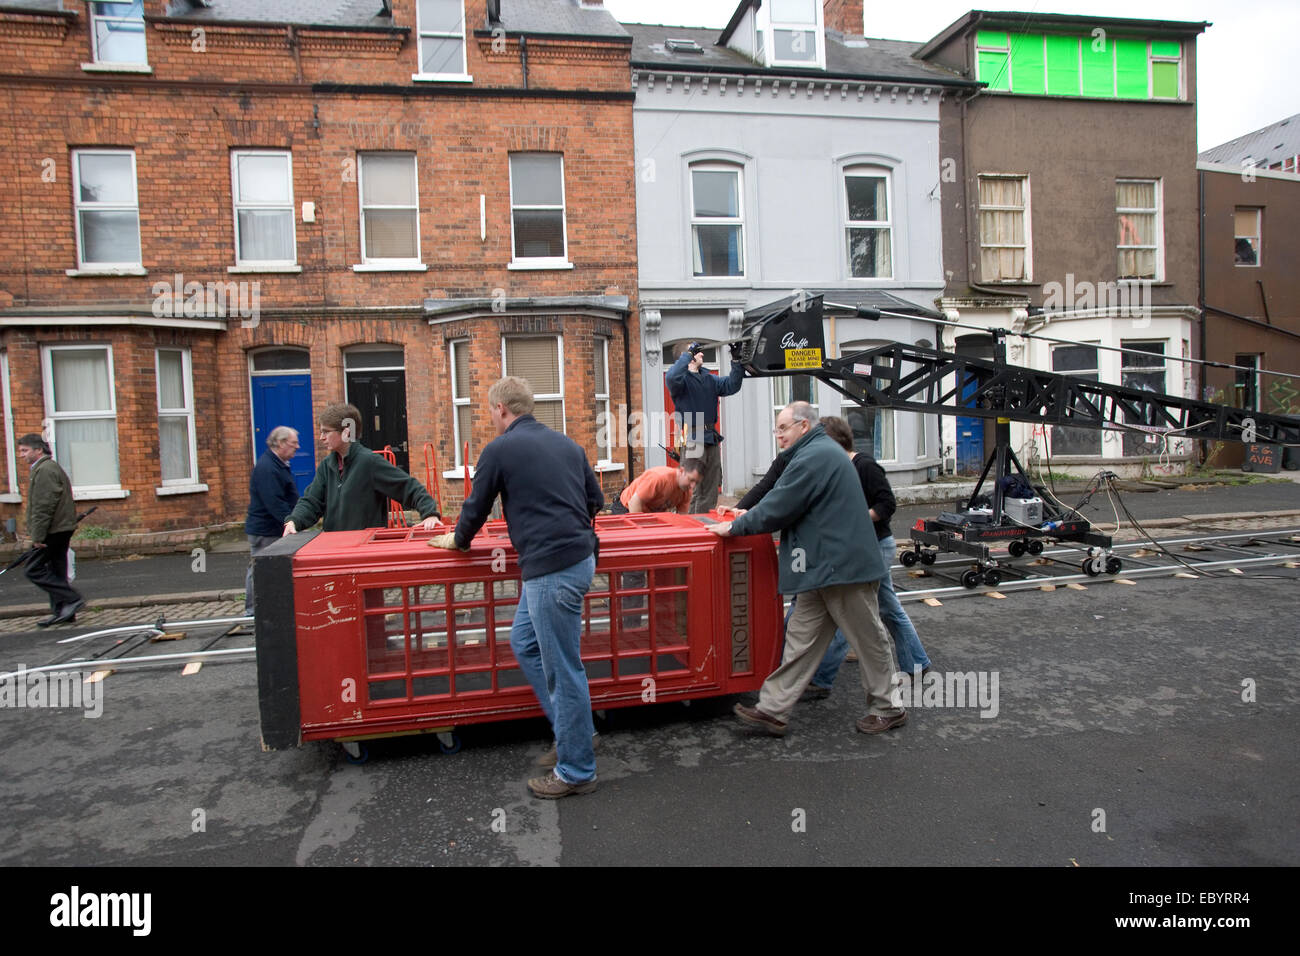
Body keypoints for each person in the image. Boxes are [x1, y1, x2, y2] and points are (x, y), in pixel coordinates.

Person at [429, 377, 604, 799]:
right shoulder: (568, 445)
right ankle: (572, 733)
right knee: (524, 641)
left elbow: (475, 506)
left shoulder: (500, 450)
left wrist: (458, 539)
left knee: (563, 670)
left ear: (502, 408)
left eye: (490, 411)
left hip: (550, 569)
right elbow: (594, 501)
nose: (490, 418)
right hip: (578, 560)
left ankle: (577, 769)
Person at [707, 402, 906, 736]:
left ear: (802, 426)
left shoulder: (815, 456)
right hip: (822, 566)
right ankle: (773, 709)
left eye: (783, 428)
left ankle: (889, 707)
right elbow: (777, 493)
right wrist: (743, 512)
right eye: (776, 429)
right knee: (800, 640)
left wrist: (735, 527)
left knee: (869, 638)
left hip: (843, 568)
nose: (778, 435)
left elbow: (782, 503)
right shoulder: (812, 452)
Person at [730, 416, 932, 697]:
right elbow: (770, 488)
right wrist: (739, 511)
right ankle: (787, 694)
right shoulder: (817, 465)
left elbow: (886, 504)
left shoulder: (862, 466)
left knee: (877, 611)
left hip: (873, 546)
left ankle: (902, 671)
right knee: (835, 613)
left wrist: (853, 520)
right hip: (843, 552)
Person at [283, 403, 441, 535]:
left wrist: (430, 514)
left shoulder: (369, 462)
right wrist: (294, 521)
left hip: (364, 552)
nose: (321, 437)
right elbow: (312, 502)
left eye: (326, 432)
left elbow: (408, 487)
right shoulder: (327, 466)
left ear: (346, 432)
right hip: (335, 550)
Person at [666, 340, 743, 513]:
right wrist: (688, 353)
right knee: (691, 490)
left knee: (710, 490)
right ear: (688, 357)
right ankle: (688, 530)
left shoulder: (709, 379)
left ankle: (702, 528)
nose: (701, 353)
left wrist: (737, 362)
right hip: (694, 439)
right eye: (697, 352)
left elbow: (733, 385)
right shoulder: (681, 381)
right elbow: (670, 377)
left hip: (711, 439)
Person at [16, 434, 84, 627]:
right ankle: (63, 612)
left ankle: (71, 599)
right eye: (21, 451)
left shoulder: (44, 469)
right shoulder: (44, 468)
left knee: (33, 569)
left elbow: (43, 505)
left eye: (25, 450)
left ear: (39, 450)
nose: (21, 455)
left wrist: (37, 535)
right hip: (60, 528)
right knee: (56, 569)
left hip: (54, 530)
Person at [244, 426, 300, 615]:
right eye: (293, 444)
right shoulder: (268, 468)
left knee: (269, 568)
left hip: (270, 528)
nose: (298, 447)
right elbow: (274, 502)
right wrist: (290, 522)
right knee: (260, 569)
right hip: (265, 529)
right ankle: (253, 611)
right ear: (281, 443)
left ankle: (270, 608)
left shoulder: (277, 464)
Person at [611, 458, 704, 514]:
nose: (693, 486)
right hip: (626, 507)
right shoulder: (659, 478)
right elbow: (634, 503)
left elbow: (682, 518)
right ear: (681, 471)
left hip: (650, 513)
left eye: (696, 482)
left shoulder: (686, 491)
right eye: (691, 480)